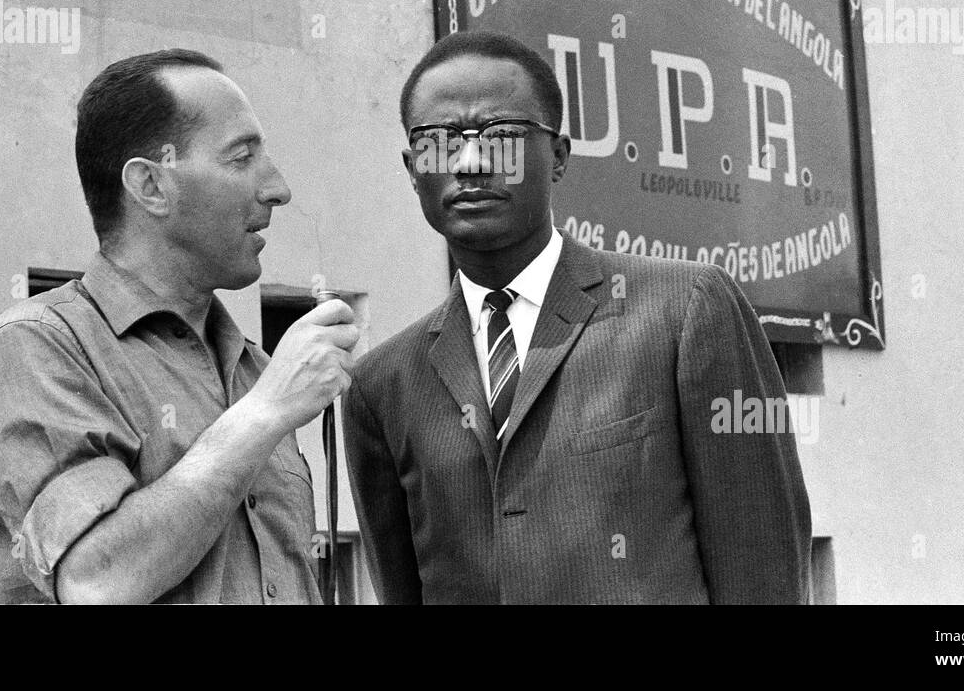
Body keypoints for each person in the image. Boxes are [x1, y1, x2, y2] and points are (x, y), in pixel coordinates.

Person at [343, 31, 811, 604]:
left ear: (559, 156)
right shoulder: (382, 385)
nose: (470, 161)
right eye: (437, 142)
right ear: (412, 167)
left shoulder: (683, 311)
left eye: (504, 137)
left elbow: (760, 561)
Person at [0, 48, 358, 603]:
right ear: (149, 186)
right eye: (241, 158)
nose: (278, 188)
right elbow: (98, 580)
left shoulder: (257, 370)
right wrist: (263, 414)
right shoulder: (37, 347)